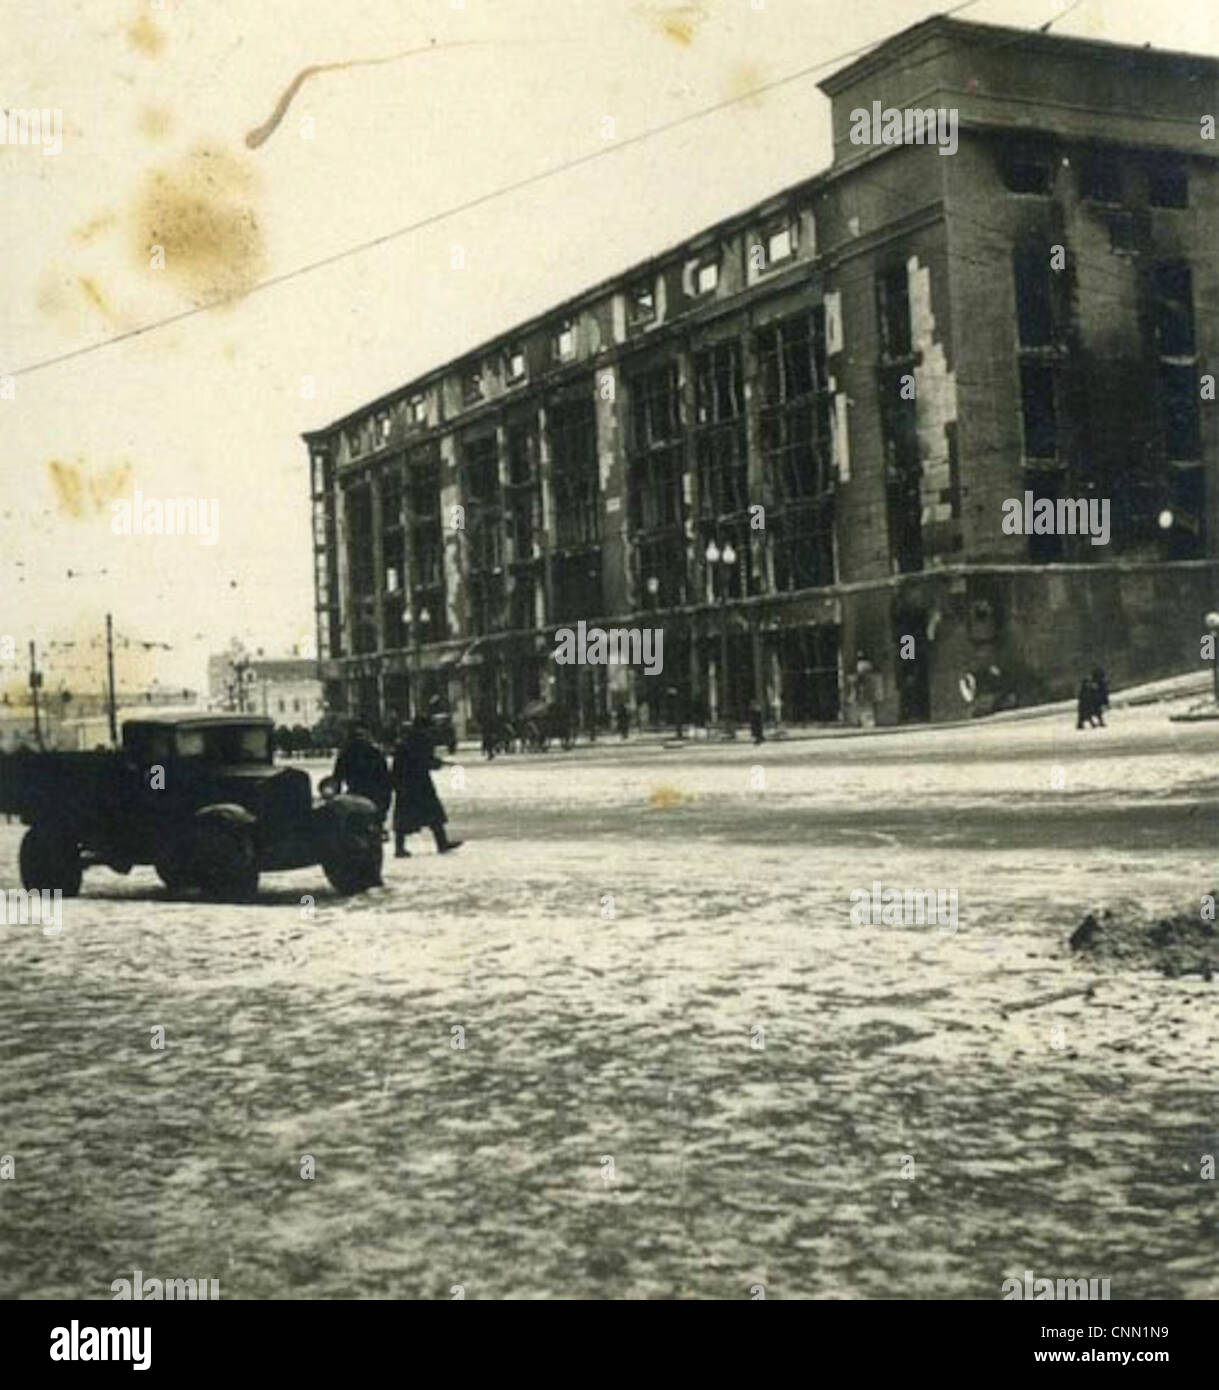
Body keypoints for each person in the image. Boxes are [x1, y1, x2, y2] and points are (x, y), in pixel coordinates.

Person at [392, 714, 463, 857]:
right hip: (419, 782)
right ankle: (442, 843)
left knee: (404, 816)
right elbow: (424, 760)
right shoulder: (422, 739)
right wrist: (437, 763)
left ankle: (399, 847)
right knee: (433, 813)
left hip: (405, 783)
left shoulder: (405, 740)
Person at [331, 722, 392, 818]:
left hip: (371, 799)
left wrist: (383, 808)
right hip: (356, 797)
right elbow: (336, 780)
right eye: (356, 736)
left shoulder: (375, 755)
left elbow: (385, 784)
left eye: (361, 735)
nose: (359, 739)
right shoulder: (346, 755)